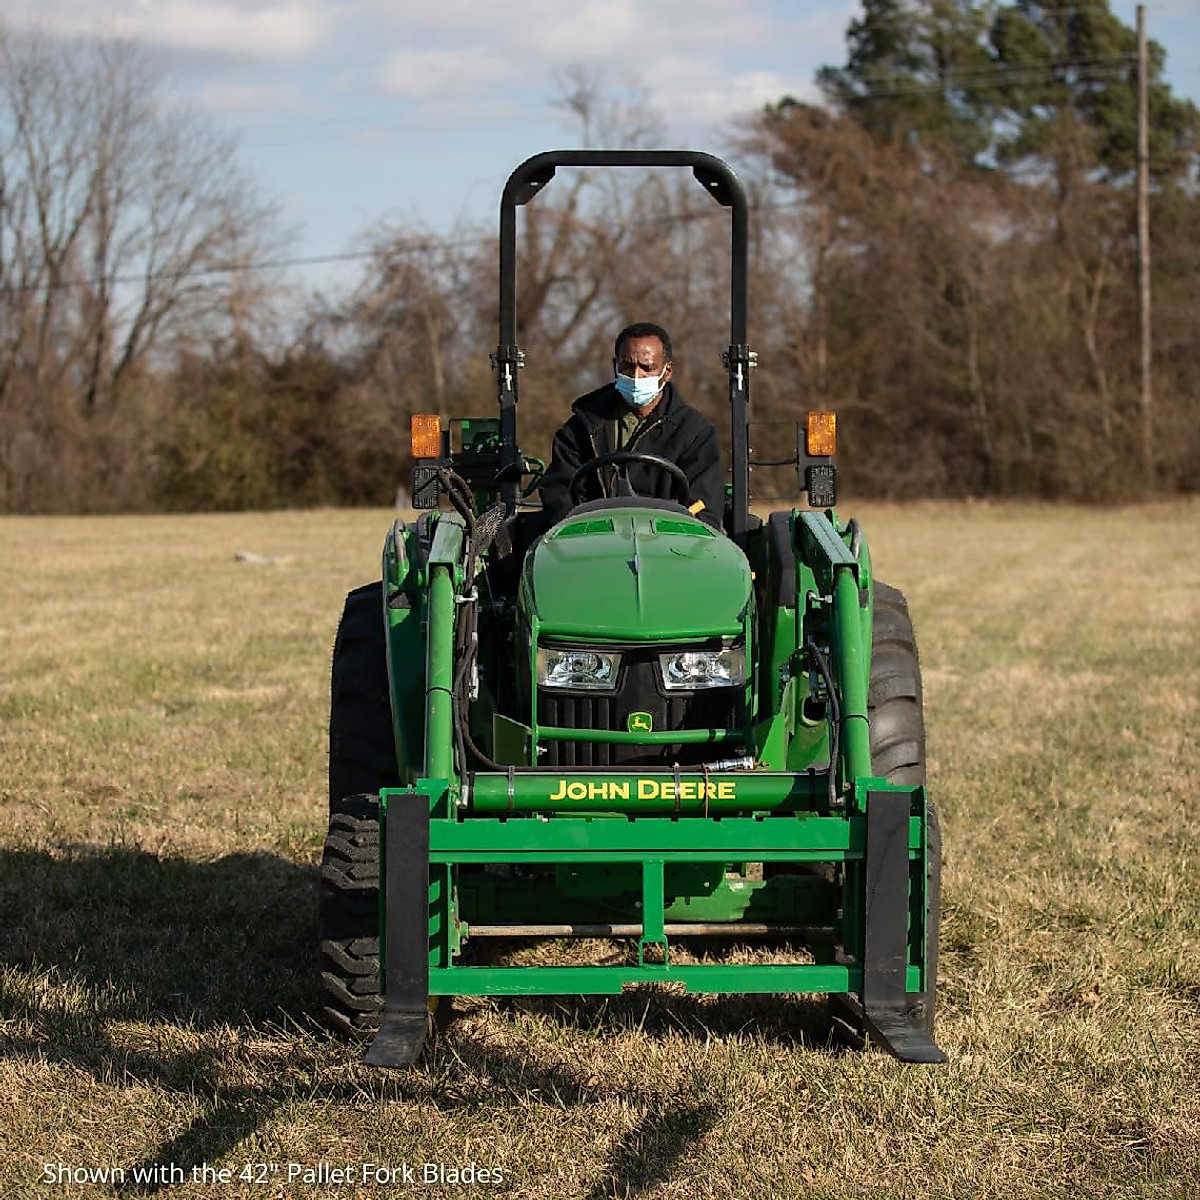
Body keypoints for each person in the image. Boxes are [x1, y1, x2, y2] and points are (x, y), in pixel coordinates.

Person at [538, 322, 725, 528]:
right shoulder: (581, 427)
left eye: (647, 367)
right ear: (615, 366)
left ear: (667, 370)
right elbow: (559, 493)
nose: (636, 376)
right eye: (627, 366)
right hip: (594, 540)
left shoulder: (695, 434)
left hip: (668, 545)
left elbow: (704, 509)